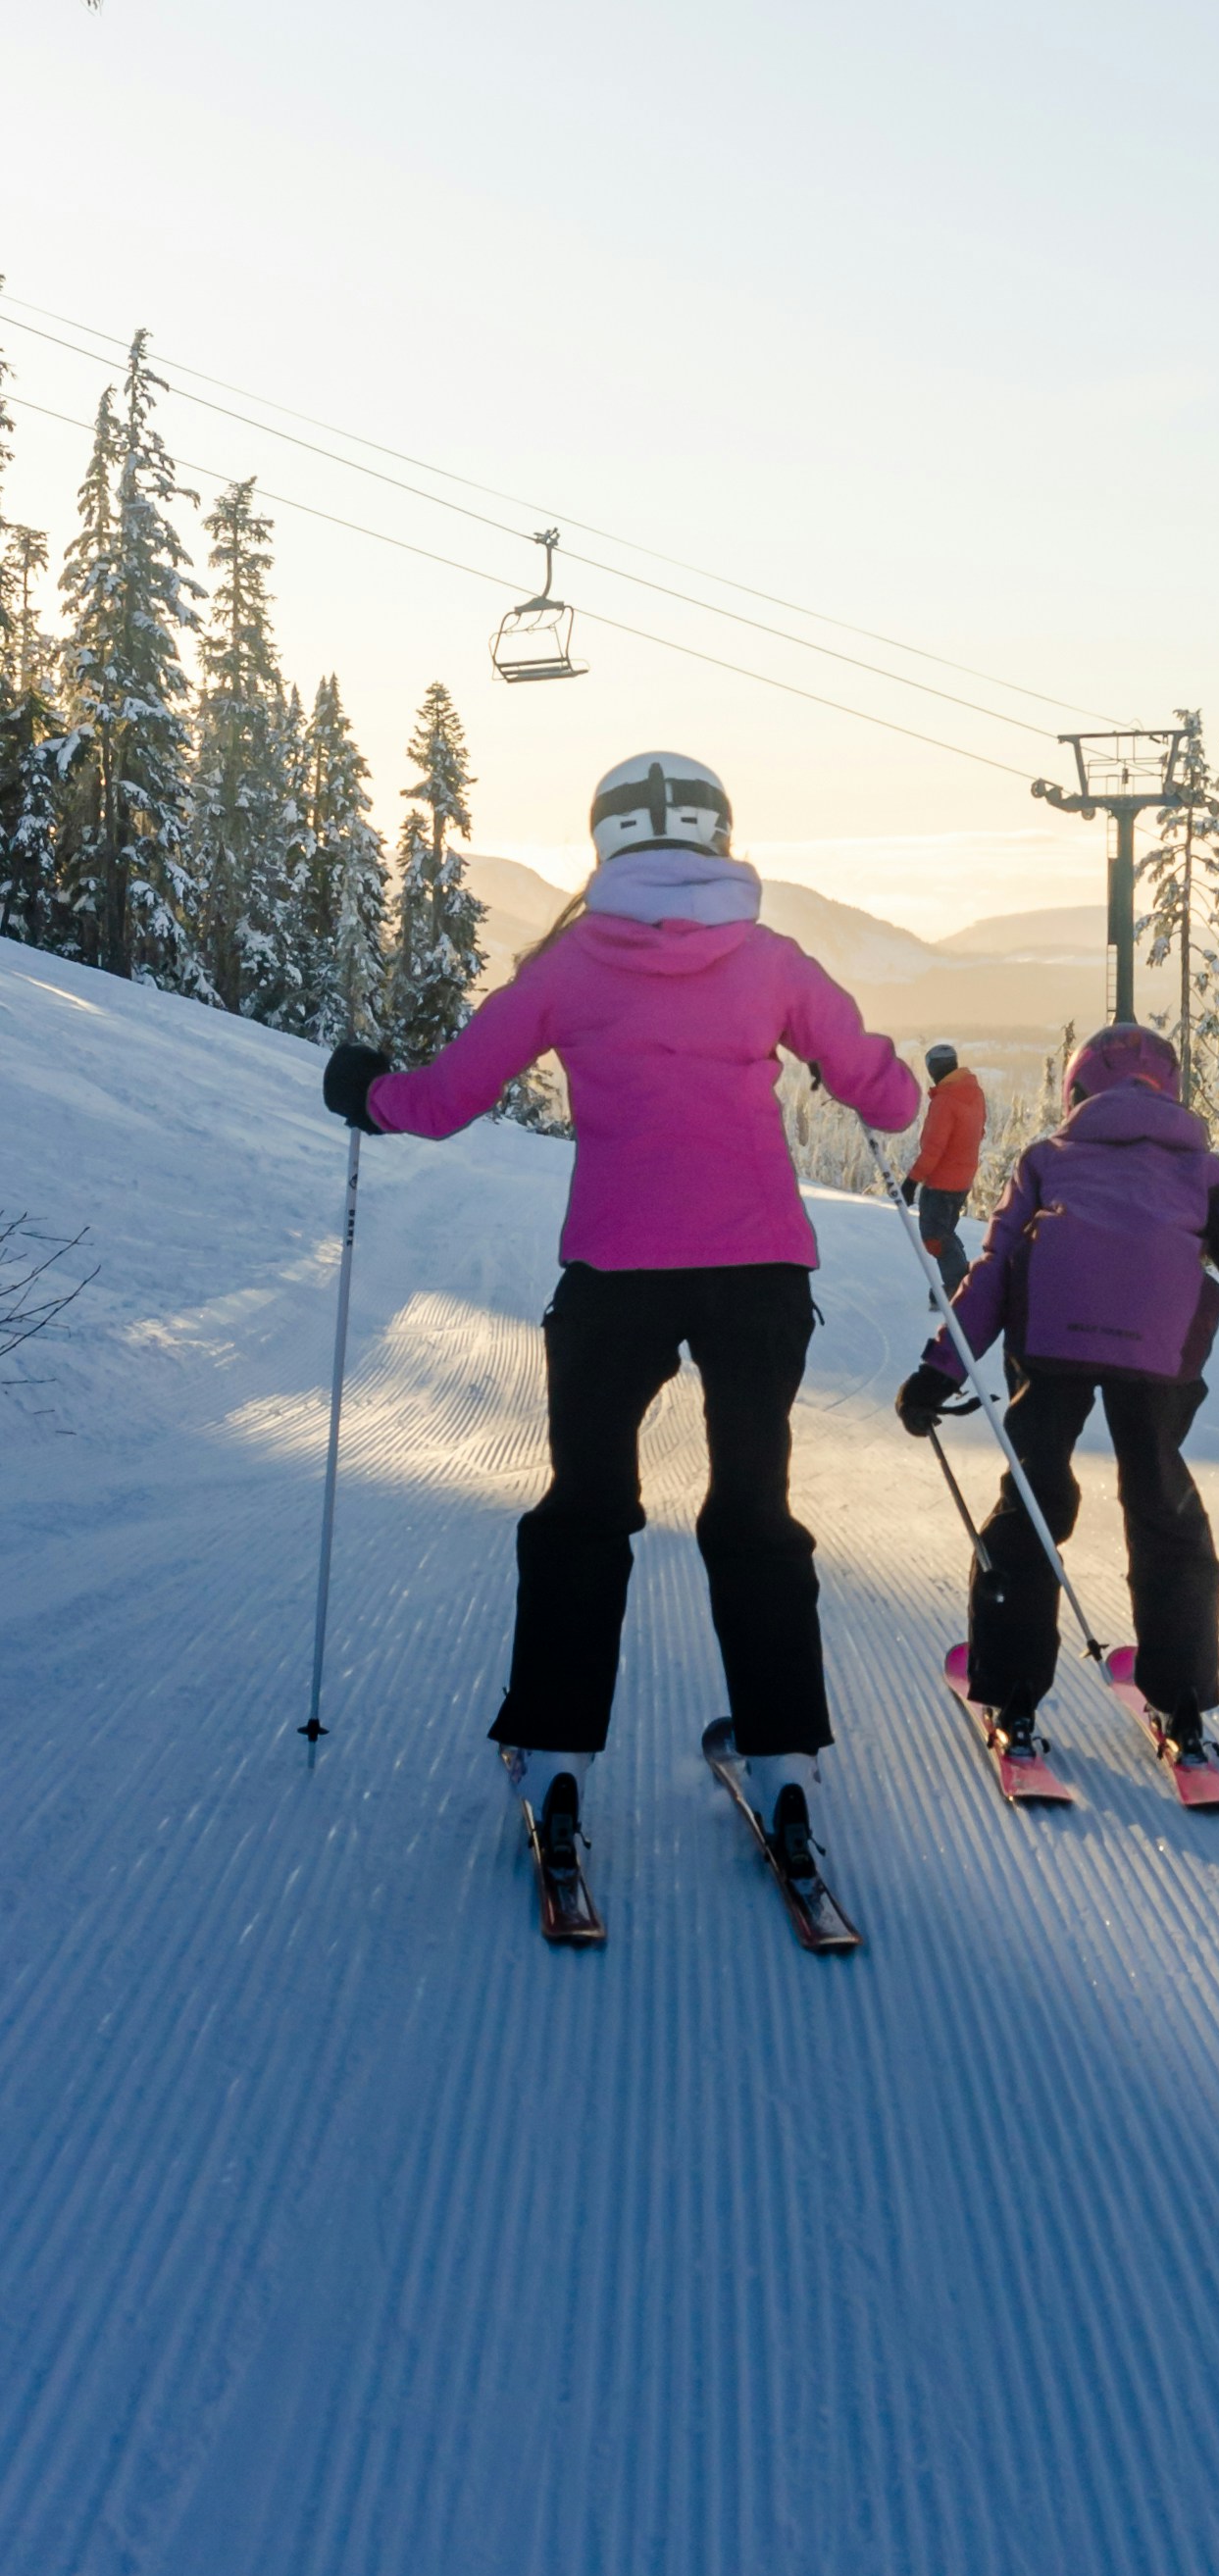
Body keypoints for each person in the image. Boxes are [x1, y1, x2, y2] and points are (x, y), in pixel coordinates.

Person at [322, 750, 918, 1879]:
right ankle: (784, 1763)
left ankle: (554, 1757)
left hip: (615, 1273)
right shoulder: (773, 959)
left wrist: (364, 1093)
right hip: (758, 1273)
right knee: (754, 1511)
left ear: (604, 843)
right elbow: (884, 1095)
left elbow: (442, 1102)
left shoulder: (567, 967)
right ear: (717, 836)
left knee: (586, 1509)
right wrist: (868, 1074)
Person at [891, 1023, 1219, 1765]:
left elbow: (993, 1273)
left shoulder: (1046, 1160)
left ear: (1078, 1092)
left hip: (1053, 1345)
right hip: (1161, 1354)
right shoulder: (1205, 1173)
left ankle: (1012, 1694)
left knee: (1034, 1504)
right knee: (1161, 1504)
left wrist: (939, 1370)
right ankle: (1180, 1707)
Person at [901, 1041, 986, 1292]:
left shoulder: (945, 1101)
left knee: (935, 1238)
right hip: (963, 1179)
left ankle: (957, 1288)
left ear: (933, 1069)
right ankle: (960, 1280)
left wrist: (911, 1182)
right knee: (945, 1233)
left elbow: (933, 1149)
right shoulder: (974, 1092)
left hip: (941, 1182)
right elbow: (979, 1131)